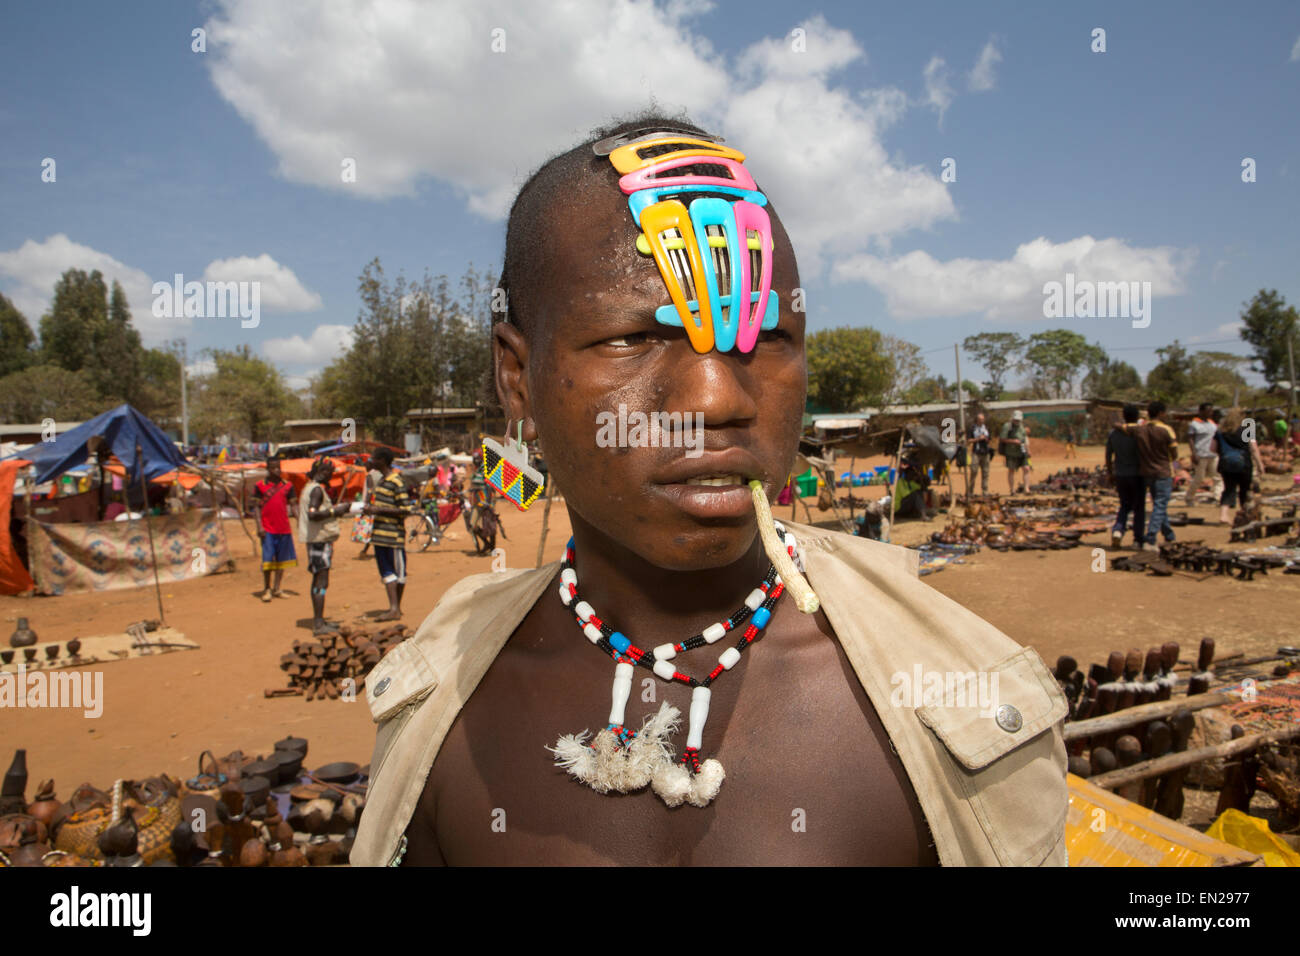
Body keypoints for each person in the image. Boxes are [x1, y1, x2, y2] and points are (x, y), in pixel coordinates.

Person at [351, 116, 1066, 867]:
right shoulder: (444, 712)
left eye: (761, 338)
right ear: (515, 379)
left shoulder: (961, 706)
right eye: (633, 338)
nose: (717, 398)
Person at [299, 458, 352, 634]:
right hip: (319, 542)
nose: (330, 476)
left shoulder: (312, 488)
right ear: (321, 472)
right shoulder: (316, 491)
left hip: (318, 540)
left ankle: (320, 621)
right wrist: (335, 511)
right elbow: (312, 515)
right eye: (329, 473)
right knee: (320, 581)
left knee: (320, 580)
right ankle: (319, 623)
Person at [364, 447, 411, 621]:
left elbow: (406, 509)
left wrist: (379, 510)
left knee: (398, 574)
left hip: (393, 536)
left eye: (373, 458)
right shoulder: (381, 481)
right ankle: (395, 608)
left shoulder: (396, 482)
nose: (370, 460)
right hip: (380, 536)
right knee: (387, 574)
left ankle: (394, 609)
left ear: (382, 460)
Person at [1133, 400, 1180, 547]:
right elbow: (1175, 453)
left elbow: (1124, 428)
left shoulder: (1140, 429)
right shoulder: (1166, 430)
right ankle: (1151, 536)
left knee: (1159, 504)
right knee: (1160, 504)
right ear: (1161, 413)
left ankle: (1169, 534)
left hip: (1147, 472)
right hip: (1163, 472)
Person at [251, 458, 297, 602]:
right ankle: (267, 588)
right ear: (268, 469)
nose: (276, 470)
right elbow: (256, 508)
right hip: (267, 528)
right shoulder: (259, 486)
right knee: (268, 559)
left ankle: (277, 588)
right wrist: (259, 526)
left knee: (281, 560)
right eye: (273, 467)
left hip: (283, 528)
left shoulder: (288, 486)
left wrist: (300, 520)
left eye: (278, 467)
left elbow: (293, 506)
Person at [1214, 408, 1265, 525]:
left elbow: (1212, 448)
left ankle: (1223, 515)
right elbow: (1253, 448)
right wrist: (1260, 464)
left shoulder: (1221, 430)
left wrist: (1225, 454)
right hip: (1244, 464)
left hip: (1225, 464)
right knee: (1244, 489)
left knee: (1229, 489)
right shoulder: (1247, 427)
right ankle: (1244, 514)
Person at [1105, 404, 1144, 549]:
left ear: (1124, 416)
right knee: (1139, 507)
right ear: (1137, 417)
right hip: (1137, 475)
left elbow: (1108, 455)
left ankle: (1118, 530)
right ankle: (1137, 539)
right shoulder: (1139, 432)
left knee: (1124, 505)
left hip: (1120, 474)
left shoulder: (1113, 434)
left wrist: (1110, 472)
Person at [1184, 402, 1222, 506]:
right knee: (1199, 478)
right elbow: (1191, 439)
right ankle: (1189, 497)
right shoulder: (1194, 424)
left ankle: (1217, 497)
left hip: (1213, 455)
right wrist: (1194, 453)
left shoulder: (1213, 424)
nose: (1210, 413)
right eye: (1208, 411)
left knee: (1218, 477)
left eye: (1211, 411)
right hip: (1200, 454)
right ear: (1201, 411)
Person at [999, 410, 1028, 493]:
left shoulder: (1022, 427)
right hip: (1011, 452)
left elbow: (1025, 439)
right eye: (1015, 420)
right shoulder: (1007, 426)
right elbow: (1002, 439)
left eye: (1018, 420)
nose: (1017, 421)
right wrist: (1013, 441)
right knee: (1011, 470)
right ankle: (1012, 490)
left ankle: (1027, 489)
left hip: (1022, 451)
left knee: (1026, 468)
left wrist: (1028, 450)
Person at [967, 412, 992, 495]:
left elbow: (990, 439)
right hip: (976, 452)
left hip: (985, 452)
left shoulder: (986, 428)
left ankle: (985, 491)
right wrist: (978, 439)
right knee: (974, 471)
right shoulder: (972, 428)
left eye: (983, 419)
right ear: (977, 420)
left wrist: (985, 439)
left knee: (985, 472)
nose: (982, 421)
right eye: (980, 419)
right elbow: (969, 441)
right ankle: (970, 491)